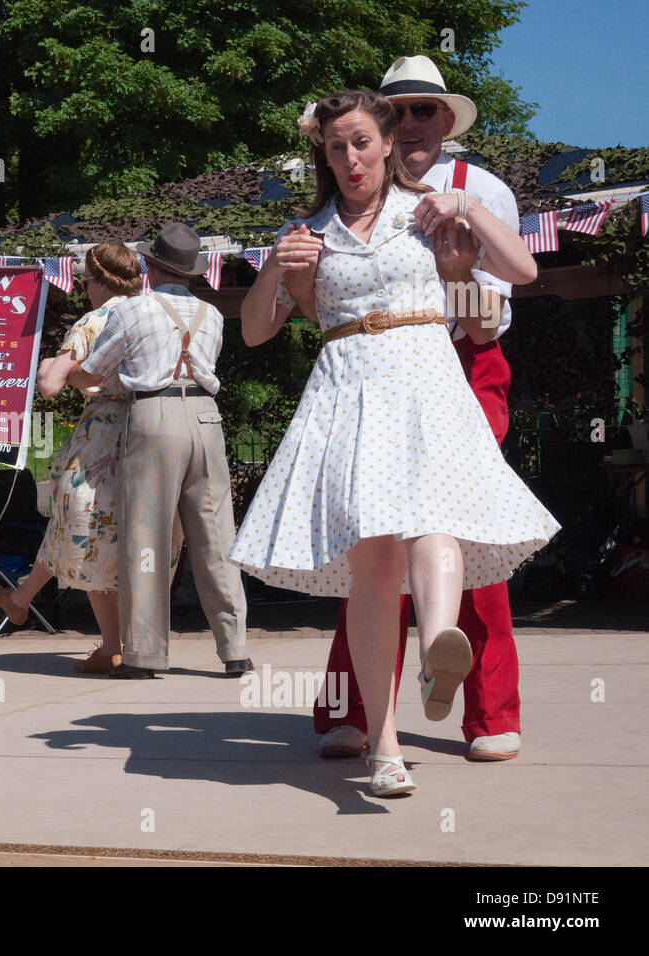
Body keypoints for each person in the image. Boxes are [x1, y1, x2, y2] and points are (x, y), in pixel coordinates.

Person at [229, 89, 558, 797]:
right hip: (349, 388)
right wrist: (274, 268)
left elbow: (522, 275)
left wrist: (466, 215)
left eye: (362, 143)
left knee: (436, 524)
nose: (351, 158)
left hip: (427, 379)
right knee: (375, 573)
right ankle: (384, 749)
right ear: (322, 151)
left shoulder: (427, 212)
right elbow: (256, 332)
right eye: (336, 146)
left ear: (386, 147)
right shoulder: (309, 231)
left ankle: (442, 649)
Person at [312, 56, 530, 763]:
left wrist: (458, 264)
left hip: (462, 365)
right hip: (372, 372)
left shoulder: (481, 189)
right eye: (396, 111)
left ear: (447, 122)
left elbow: (484, 320)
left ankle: (490, 714)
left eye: (424, 111)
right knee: (369, 541)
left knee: (465, 532)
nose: (410, 124)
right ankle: (358, 713)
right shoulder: (350, 194)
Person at [67, 222, 251, 679]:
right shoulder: (210, 314)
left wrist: (68, 372)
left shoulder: (132, 310)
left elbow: (92, 372)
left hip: (153, 418)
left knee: (146, 538)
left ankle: (144, 653)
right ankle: (235, 650)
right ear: (191, 271)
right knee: (215, 537)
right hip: (207, 418)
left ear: (148, 266)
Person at [0, 241, 143, 673]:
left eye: (87, 281)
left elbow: (51, 385)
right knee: (116, 534)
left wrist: (55, 368)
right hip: (148, 428)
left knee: (86, 527)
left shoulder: (93, 322)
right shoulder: (150, 314)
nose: (84, 289)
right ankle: (25, 599)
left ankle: (110, 641)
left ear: (101, 282)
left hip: (101, 434)